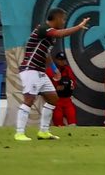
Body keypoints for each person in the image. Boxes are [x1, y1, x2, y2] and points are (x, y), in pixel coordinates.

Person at [13, 8, 91, 140]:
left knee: (53, 98)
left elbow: (45, 53)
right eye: (63, 19)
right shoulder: (43, 28)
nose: (64, 22)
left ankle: (43, 131)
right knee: (29, 99)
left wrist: (54, 68)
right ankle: (19, 133)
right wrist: (78, 27)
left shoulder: (49, 36)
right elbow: (60, 34)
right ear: (57, 18)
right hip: (30, 69)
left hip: (40, 71)